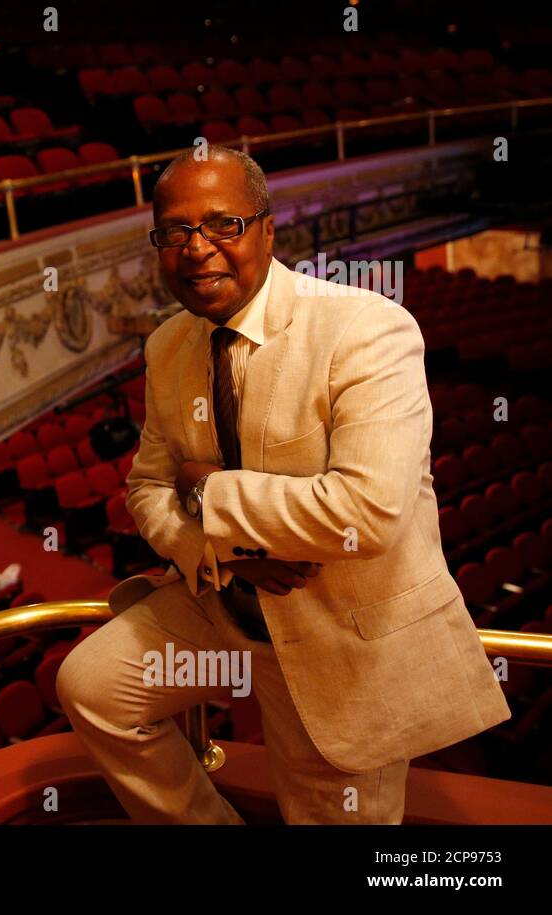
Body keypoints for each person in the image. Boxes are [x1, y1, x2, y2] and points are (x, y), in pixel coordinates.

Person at [57, 145, 509, 824]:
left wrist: (211, 491)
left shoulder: (366, 328)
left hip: (338, 627)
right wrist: (222, 548)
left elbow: (369, 510)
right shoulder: (168, 346)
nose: (197, 248)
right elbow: (147, 487)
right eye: (175, 232)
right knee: (93, 687)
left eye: (222, 225)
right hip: (223, 605)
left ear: (268, 229)